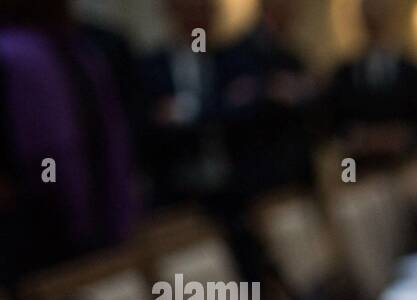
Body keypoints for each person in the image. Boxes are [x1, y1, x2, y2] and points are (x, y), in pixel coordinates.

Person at [0, 0, 138, 284]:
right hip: (81, 230)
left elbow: (58, 153)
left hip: (59, 234)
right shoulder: (76, 48)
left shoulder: (42, 51)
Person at [219, 0, 320, 201]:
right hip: (257, 180)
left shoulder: (293, 58)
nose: (292, 13)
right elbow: (228, 113)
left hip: (295, 177)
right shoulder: (234, 56)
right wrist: (266, 91)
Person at [136, 0, 231, 209]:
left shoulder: (232, 60)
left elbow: (238, 108)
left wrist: (188, 111)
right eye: (190, 8)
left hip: (231, 187)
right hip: (175, 191)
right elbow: (145, 124)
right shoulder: (151, 67)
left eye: (204, 8)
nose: (199, 15)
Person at [328, 0, 417, 172]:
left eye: (379, 16)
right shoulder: (345, 73)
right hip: (358, 171)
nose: (375, 23)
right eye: (370, 18)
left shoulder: (411, 71)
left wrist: (403, 137)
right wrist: (361, 139)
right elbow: (332, 124)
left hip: (403, 169)